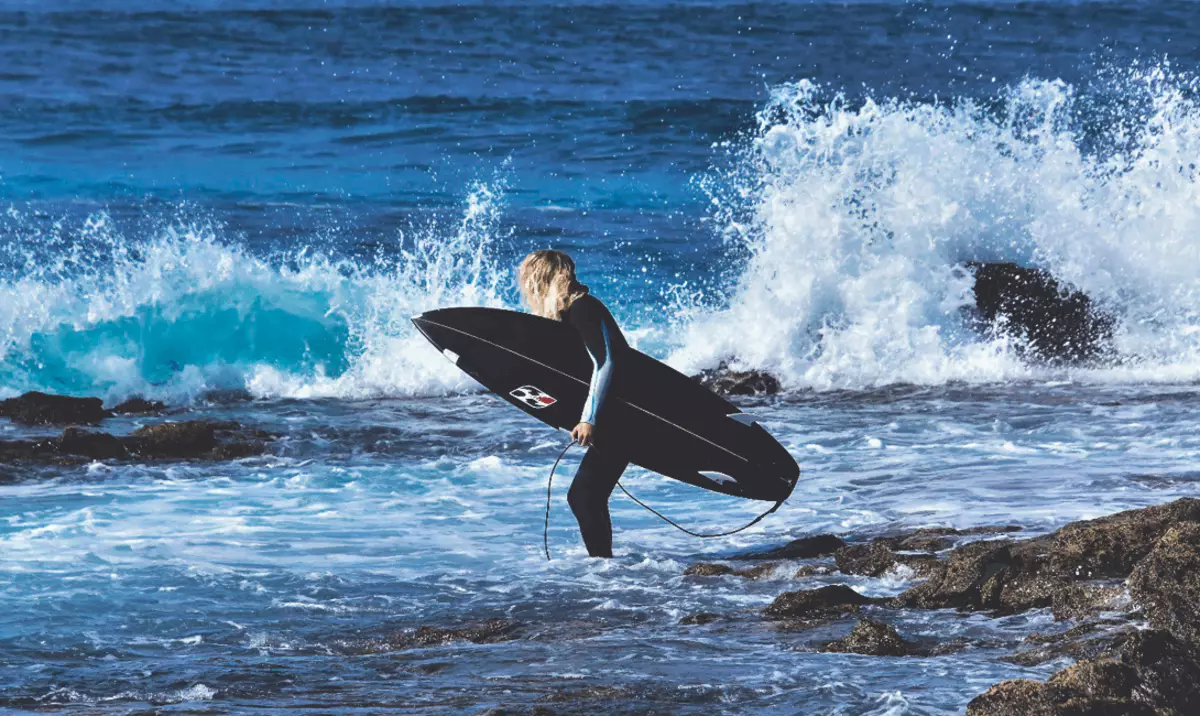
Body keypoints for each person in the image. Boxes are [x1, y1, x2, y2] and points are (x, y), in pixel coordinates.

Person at [517, 249, 629, 558]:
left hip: (622, 416)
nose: (526, 288)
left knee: (584, 495)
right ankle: (604, 565)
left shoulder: (583, 310)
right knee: (586, 495)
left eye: (529, 280)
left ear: (543, 280)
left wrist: (588, 418)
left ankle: (605, 569)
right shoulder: (573, 312)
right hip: (616, 413)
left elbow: (605, 363)